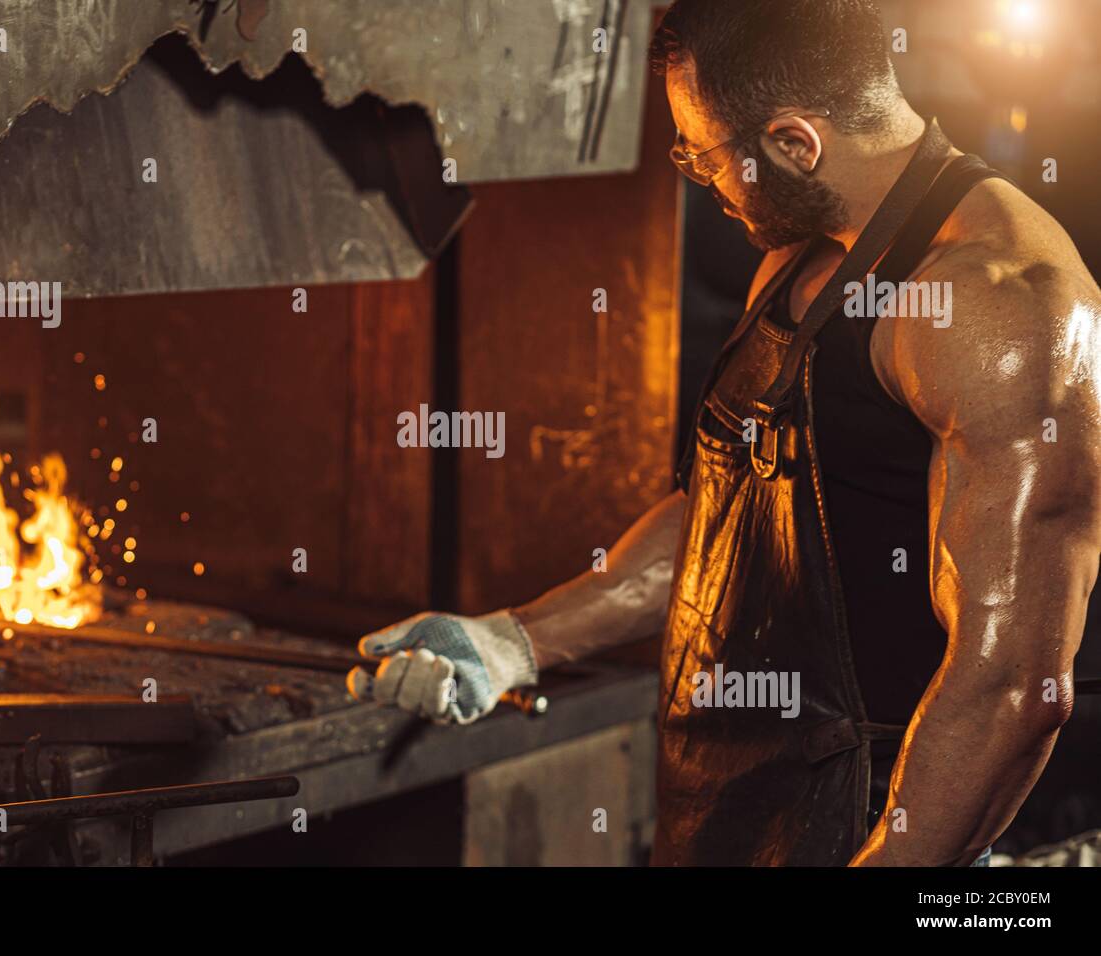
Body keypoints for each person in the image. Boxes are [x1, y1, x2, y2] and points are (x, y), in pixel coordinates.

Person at [348, 0, 1101, 866]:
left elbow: (1011, 684)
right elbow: (731, 511)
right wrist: (513, 641)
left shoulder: (1000, 304)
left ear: (793, 144)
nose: (700, 180)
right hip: (739, 811)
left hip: (875, 826)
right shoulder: (806, 254)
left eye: (704, 157)